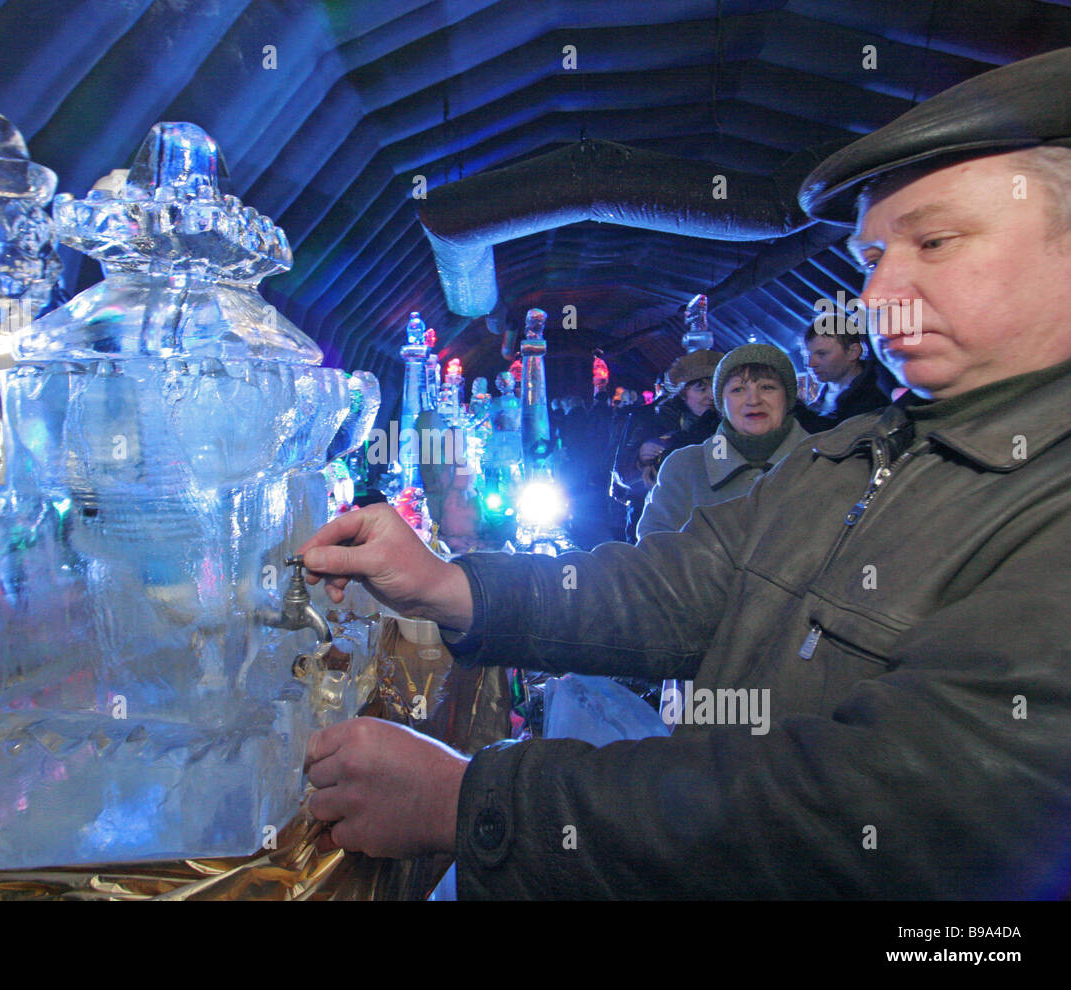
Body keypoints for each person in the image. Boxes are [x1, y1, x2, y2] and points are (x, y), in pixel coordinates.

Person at [296, 47, 1071, 897]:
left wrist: (469, 800)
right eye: (872, 257)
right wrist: (453, 588)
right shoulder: (851, 455)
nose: (879, 297)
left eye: (936, 240)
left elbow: (881, 810)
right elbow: (677, 585)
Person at [636, 344, 810, 540]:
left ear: (787, 397)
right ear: (721, 403)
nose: (753, 400)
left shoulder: (826, 462)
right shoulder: (684, 467)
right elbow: (655, 549)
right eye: (738, 389)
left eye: (767, 387)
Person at [610, 349, 722, 540]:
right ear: (683, 392)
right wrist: (639, 458)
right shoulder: (647, 418)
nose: (711, 396)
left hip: (712, 528)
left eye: (716, 388)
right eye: (701, 388)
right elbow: (620, 474)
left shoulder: (728, 422)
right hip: (652, 526)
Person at [800, 322, 891, 427]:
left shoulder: (878, 398)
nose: (810, 364)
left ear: (853, 352)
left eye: (822, 354)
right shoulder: (816, 405)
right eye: (806, 356)